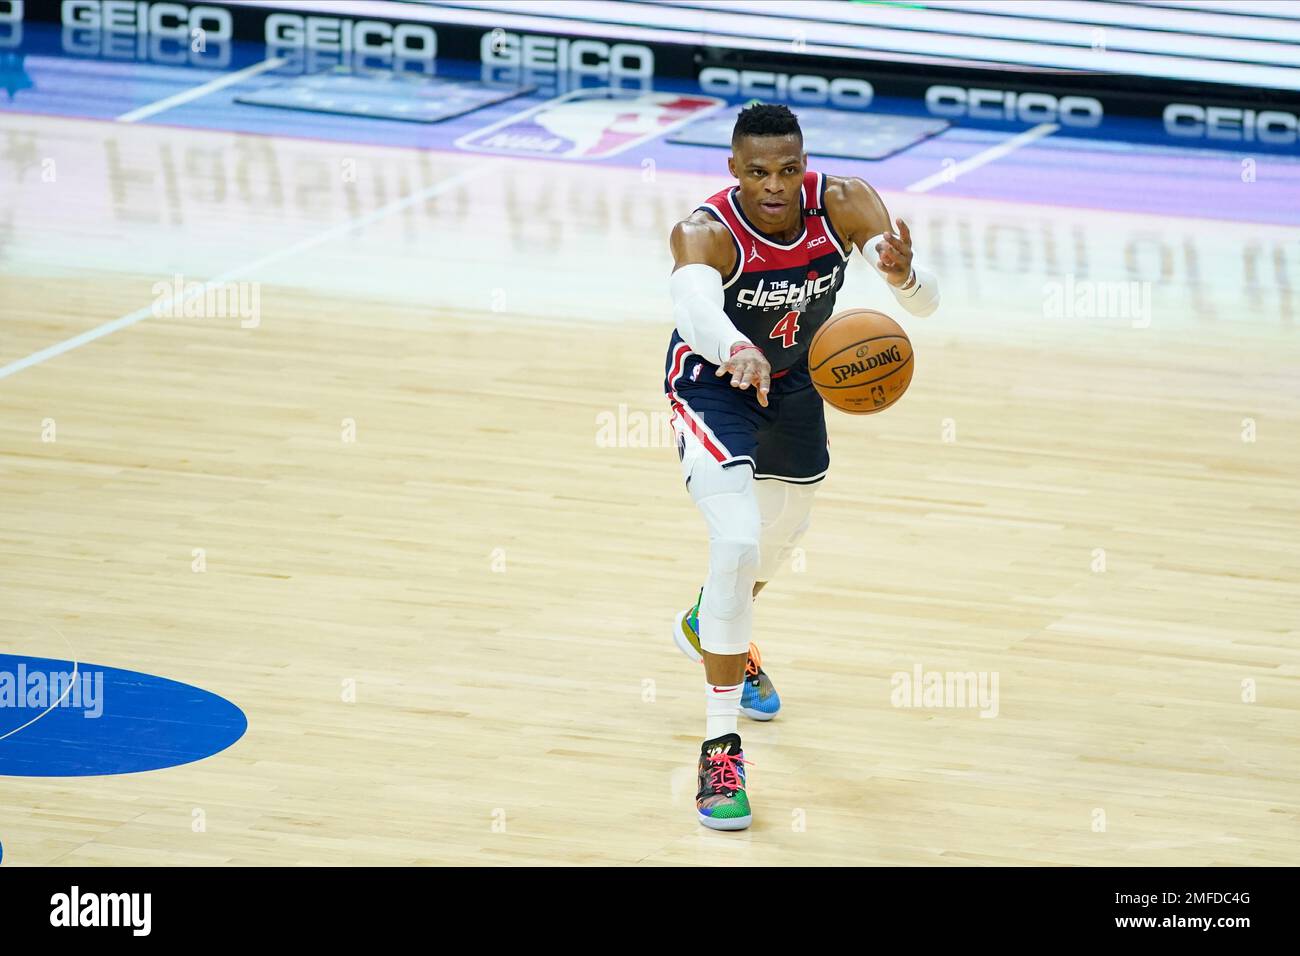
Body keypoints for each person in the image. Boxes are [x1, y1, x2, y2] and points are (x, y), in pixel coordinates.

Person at [662, 103, 940, 830]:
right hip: (713, 384)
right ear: (734, 171)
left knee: (774, 546)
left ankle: (710, 620)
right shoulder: (706, 230)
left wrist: (909, 280)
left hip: (798, 384)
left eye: (789, 169)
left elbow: (928, 303)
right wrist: (733, 350)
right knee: (737, 541)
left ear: (805, 164)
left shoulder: (844, 202)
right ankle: (719, 752)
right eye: (758, 172)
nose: (776, 185)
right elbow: (693, 308)